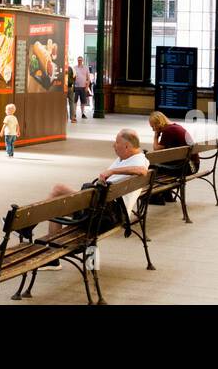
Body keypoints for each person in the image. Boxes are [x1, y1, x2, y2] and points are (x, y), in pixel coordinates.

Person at [42, 129, 149, 263]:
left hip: (106, 215)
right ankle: (37, 235)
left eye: (117, 143)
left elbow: (142, 171)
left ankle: (50, 256)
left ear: (127, 146)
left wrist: (112, 171)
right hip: (105, 209)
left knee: (58, 197)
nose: (113, 145)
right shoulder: (128, 158)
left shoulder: (138, 161)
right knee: (58, 198)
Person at [71, 57, 91, 121]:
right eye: (78, 60)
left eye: (80, 60)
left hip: (83, 87)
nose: (79, 61)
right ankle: (74, 114)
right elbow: (72, 77)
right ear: (77, 60)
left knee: (83, 102)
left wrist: (87, 87)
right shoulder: (74, 68)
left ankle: (83, 114)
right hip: (76, 87)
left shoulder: (86, 68)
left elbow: (88, 79)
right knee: (75, 101)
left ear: (82, 61)